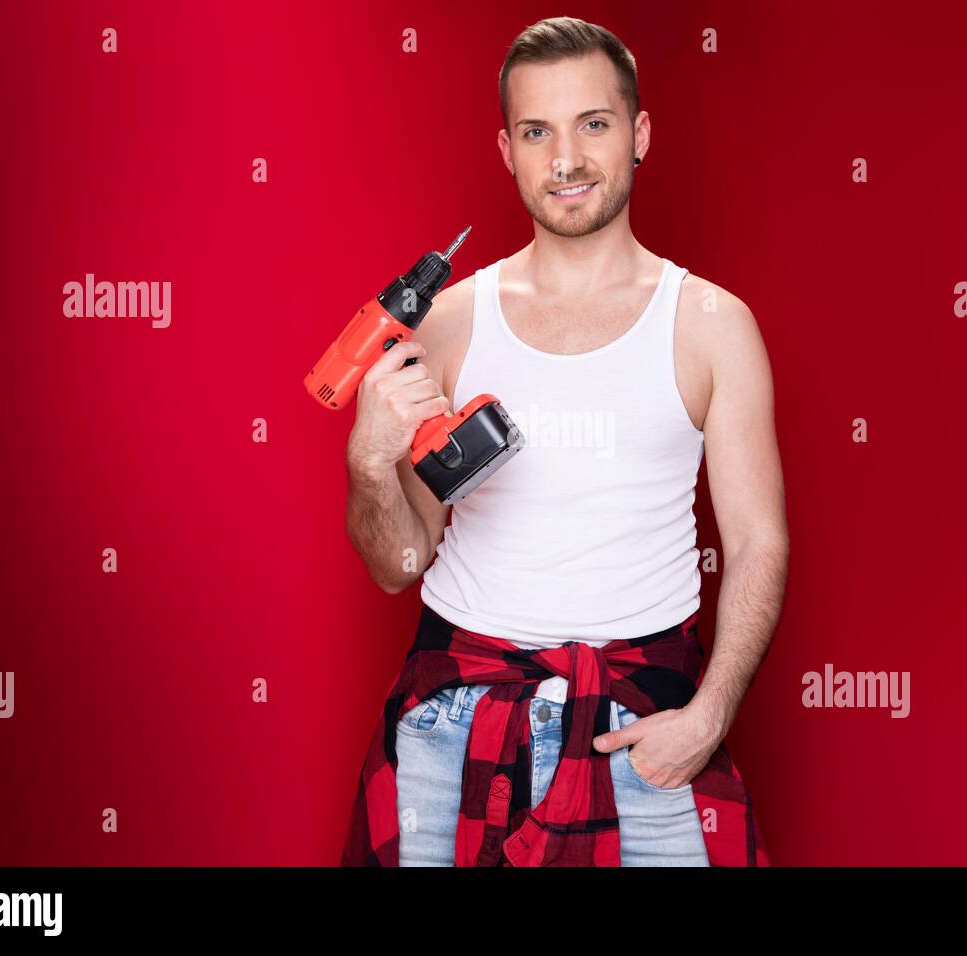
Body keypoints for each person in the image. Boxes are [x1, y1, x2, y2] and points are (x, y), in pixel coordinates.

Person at [342, 16, 789, 866]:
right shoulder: (450, 323)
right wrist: (368, 461)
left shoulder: (712, 326)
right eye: (537, 132)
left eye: (593, 123)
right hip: (453, 720)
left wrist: (710, 715)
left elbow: (759, 543)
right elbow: (398, 563)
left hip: (643, 722)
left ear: (639, 134)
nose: (567, 159)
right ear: (507, 151)